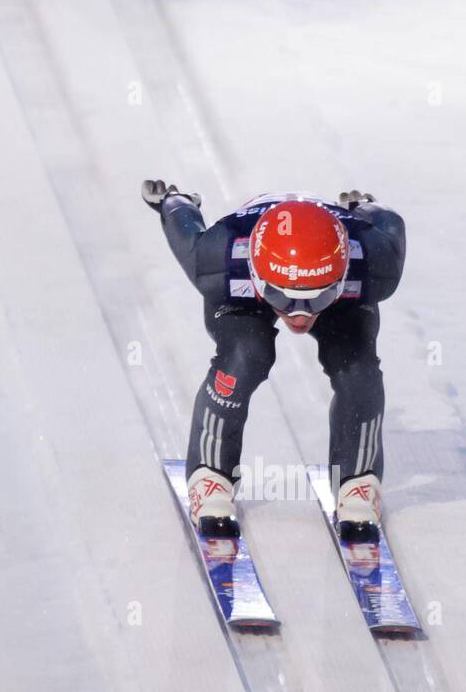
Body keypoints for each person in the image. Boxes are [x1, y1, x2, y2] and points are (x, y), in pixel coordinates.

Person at [143, 184, 406, 542]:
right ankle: (210, 474)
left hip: (329, 297)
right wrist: (175, 201)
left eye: (317, 297)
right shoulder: (218, 261)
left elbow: (390, 226)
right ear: (255, 273)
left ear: (343, 275)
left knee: (358, 370)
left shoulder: (376, 264)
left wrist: (365, 209)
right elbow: (184, 226)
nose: (299, 315)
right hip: (248, 298)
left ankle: (357, 480)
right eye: (281, 296)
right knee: (244, 355)